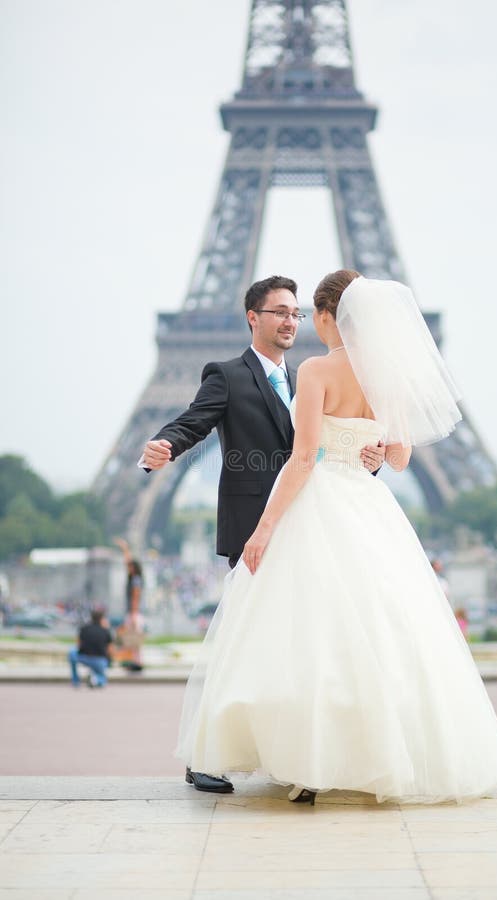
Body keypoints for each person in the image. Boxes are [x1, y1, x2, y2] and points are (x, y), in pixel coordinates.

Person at [175, 269, 497, 806]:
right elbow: (398, 456)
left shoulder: (315, 370)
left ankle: (306, 762)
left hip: (318, 506)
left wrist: (263, 529)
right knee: (377, 632)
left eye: (315, 315)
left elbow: (304, 457)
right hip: (369, 507)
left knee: (301, 632)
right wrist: (376, 449)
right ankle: (372, 757)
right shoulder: (386, 375)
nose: (311, 325)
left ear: (333, 316)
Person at [141, 274, 385, 793]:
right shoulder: (226, 375)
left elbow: (336, 448)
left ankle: (290, 754)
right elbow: (194, 421)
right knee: (241, 639)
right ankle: (206, 756)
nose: (290, 321)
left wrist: (371, 457)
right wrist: (165, 443)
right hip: (255, 524)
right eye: (279, 312)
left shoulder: (312, 376)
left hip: (313, 525)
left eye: (295, 312)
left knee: (297, 644)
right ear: (253, 317)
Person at [114, 538, 145, 671]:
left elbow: (135, 598)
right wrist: (125, 549)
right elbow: (127, 562)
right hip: (134, 612)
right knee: (132, 639)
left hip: (134, 612)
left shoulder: (136, 581)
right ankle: (135, 661)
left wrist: (133, 614)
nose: (128, 568)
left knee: (133, 639)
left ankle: (136, 662)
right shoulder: (135, 578)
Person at [68, 608, 113, 688]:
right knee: (102, 678)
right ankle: (95, 680)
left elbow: (78, 645)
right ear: (101, 619)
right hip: (100, 660)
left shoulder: (84, 629)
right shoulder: (106, 631)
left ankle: (75, 680)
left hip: (84, 658)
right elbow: (110, 650)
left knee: (72, 652)